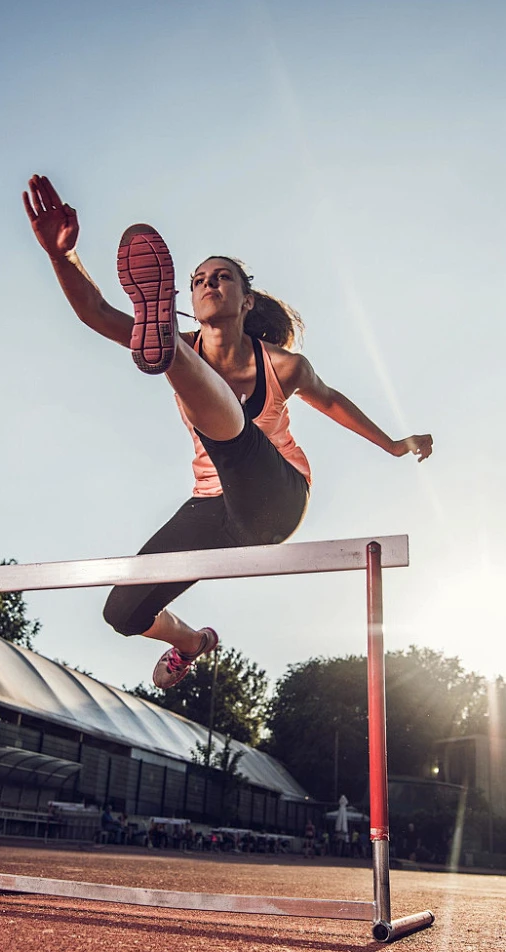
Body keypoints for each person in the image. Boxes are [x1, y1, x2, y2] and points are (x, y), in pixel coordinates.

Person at [23, 175, 433, 689]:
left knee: (233, 435)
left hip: (275, 498)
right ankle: (193, 642)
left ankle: (165, 351)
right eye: (198, 281)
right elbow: (98, 313)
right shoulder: (189, 336)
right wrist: (62, 256)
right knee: (122, 612)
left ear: (246, 301)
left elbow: (333, 403)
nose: (209, 284)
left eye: (222, 278)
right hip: (211, 507)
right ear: (191, 301)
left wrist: (395, 444)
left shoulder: (284, 366)